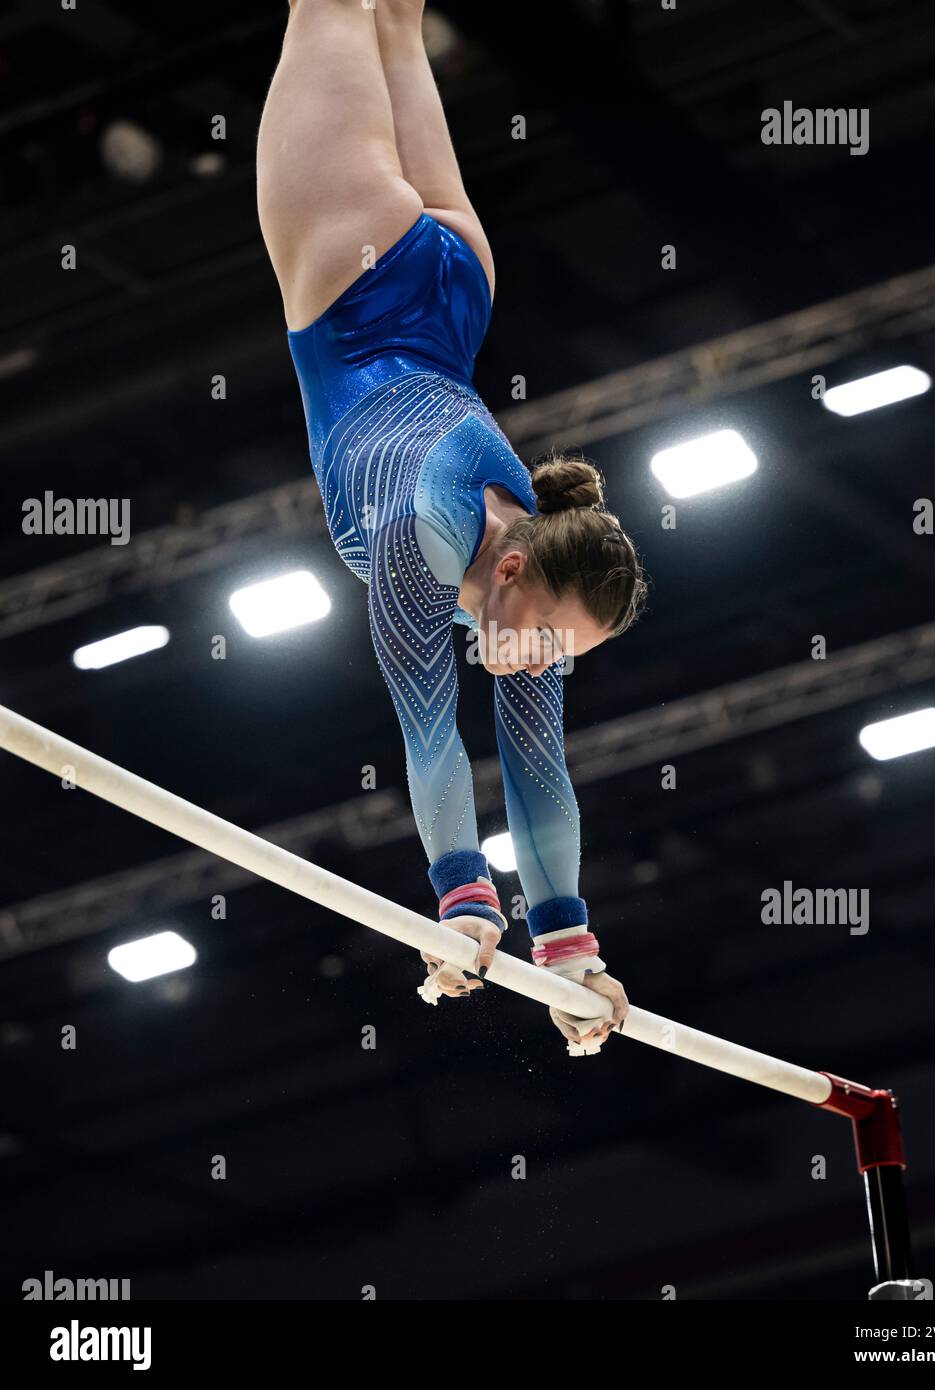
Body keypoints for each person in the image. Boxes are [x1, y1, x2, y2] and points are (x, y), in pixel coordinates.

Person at [256, 0, 646, 1052]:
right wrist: (463, 897)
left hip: (454, 280)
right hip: (354, 272)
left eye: (560, 651)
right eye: (547, 635)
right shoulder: (418, 538)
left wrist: (569, 945)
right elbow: (428, 737)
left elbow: (537, 771)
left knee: (391, 11)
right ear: (512, 563)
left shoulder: (527, 573)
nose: (537, 658)